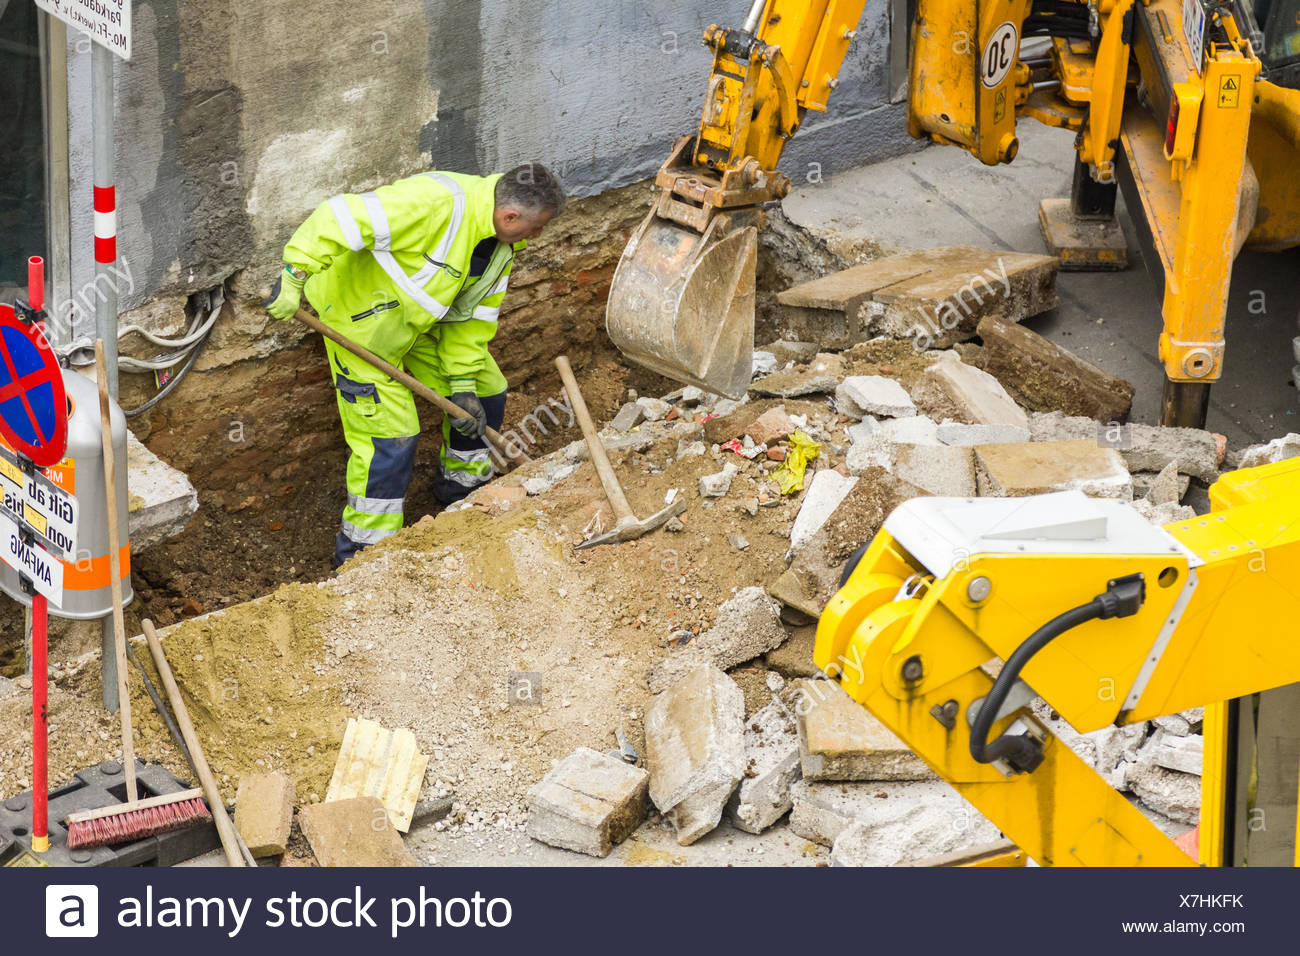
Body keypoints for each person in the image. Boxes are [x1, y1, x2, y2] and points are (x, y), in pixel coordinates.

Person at [265, 163, 566, 565]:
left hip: (418, 323)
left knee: (486, 389)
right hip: (359, 326)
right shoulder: (436, 203)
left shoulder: (501, 247)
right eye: (535, 227)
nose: (537, 236)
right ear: (510, 215)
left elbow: (472, 320)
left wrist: (461, 383)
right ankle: (365, 555)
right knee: (392, 437)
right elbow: (339, 216)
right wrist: (294, 272)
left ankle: (463, 497)